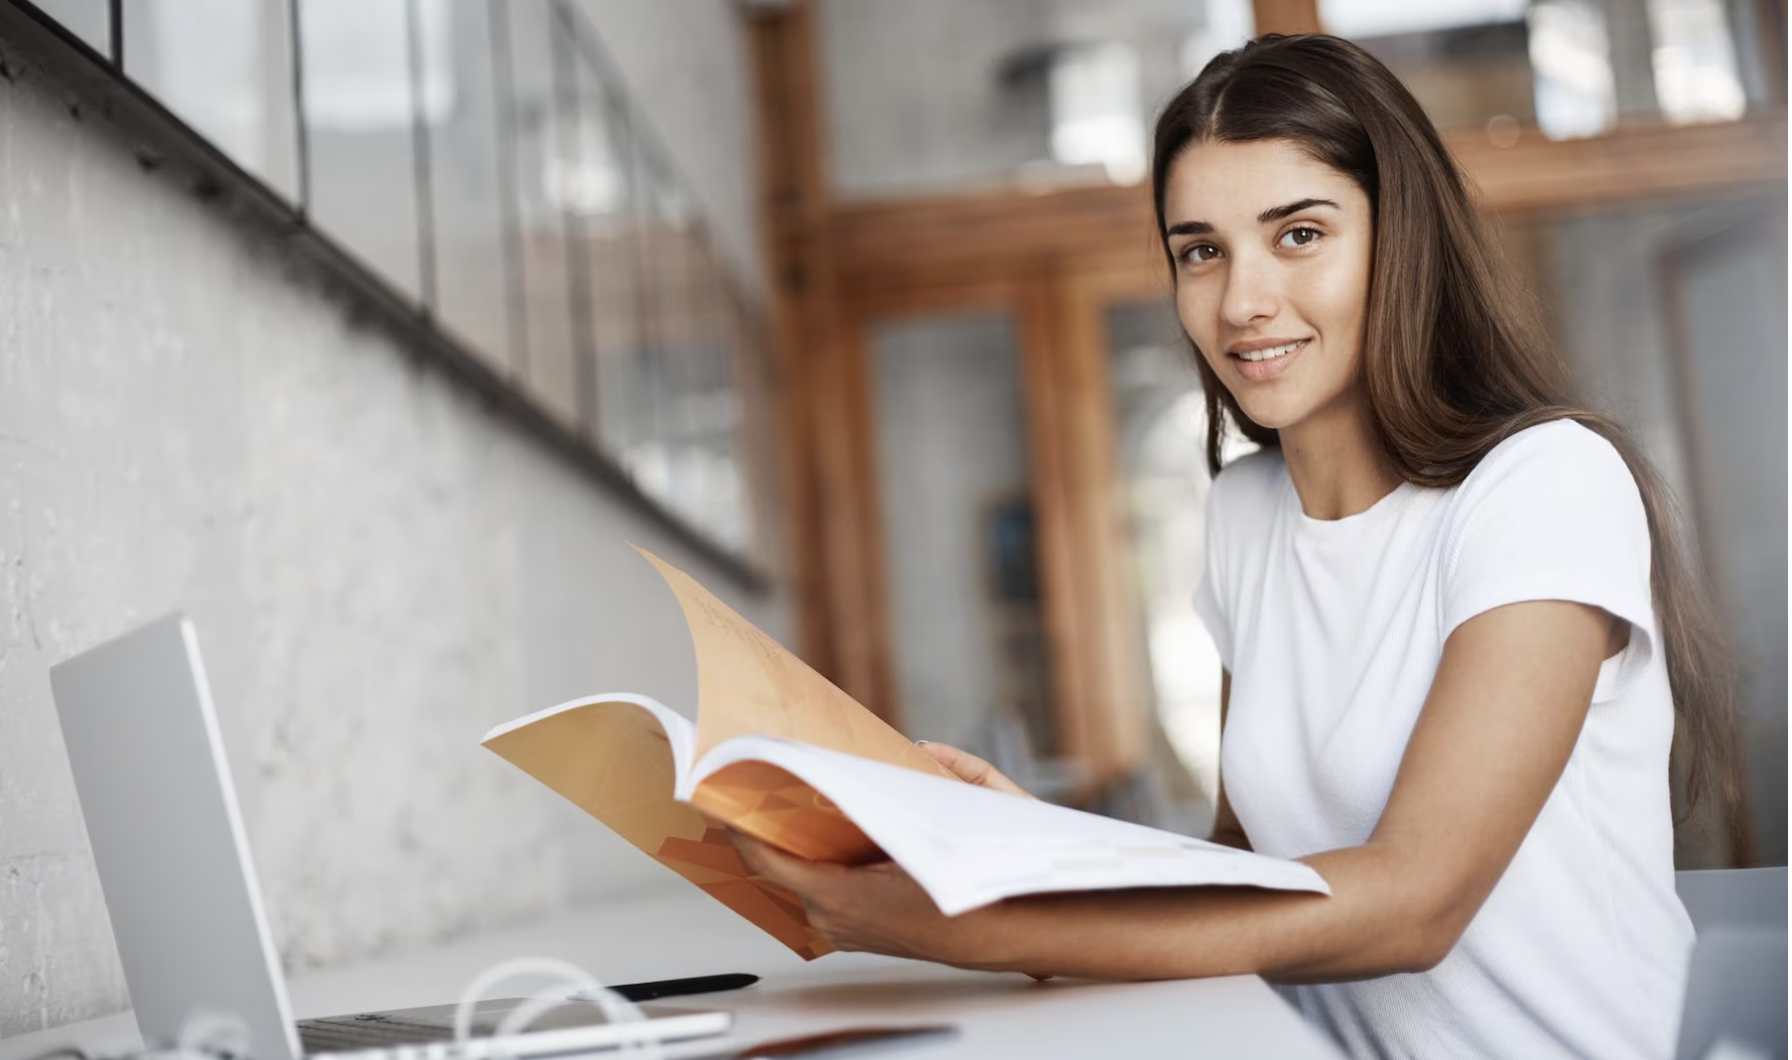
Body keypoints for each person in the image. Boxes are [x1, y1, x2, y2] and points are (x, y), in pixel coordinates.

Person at [730, 33, 1742, 1060]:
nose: (1240, 301)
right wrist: (1027, 845)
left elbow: (1413, 903)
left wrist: (958, 928)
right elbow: (1241, 864)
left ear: (1403, 242)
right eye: (1199, 249)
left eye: (1298, 234)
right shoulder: (1244, 513)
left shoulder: (1544, 483)